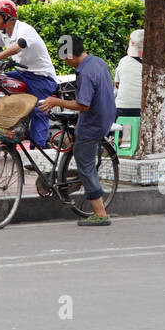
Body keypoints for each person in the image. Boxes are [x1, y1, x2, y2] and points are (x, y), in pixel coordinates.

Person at [40, 34, 115, 227]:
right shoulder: (97, 62)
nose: (65, 62)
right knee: (76, 148)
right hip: (105, 117)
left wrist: (56, 101)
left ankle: (100, 213)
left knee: (86, 165)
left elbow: (83, 105)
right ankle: (72, 175)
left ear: (72, 55)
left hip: (92, 124)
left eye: (65, 58)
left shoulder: (86, 73)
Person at [0, 0, 57, 147]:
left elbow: (17, 47)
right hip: (22, 73)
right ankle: (5, 130)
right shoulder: (2, 33)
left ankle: (39, 148)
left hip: (41, 77)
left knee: (39, 110)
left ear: (6, 18)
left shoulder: (24, 30)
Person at [115, 28, 143, 120]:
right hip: (143, 109)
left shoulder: (123, 61)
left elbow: (117, 84)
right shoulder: (153, 65)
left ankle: (117, 134)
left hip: (121, 109)